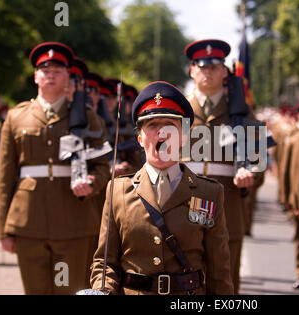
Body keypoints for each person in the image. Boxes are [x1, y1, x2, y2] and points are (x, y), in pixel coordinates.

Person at [90, 81, 233, 295]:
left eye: (169, 125)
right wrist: (103, 290)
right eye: (152, 125)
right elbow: (104, 262)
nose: (161, 133)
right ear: (140, 138)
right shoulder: (118, 190)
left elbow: (218, 272)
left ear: (183, 137)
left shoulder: (209, 193)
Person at [0, 42, 110, 294]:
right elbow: (5, 176)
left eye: (57, 70)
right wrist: (5, 227)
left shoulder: (87, 116)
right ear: (36, 76)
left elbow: (103, 166)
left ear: (67, 76)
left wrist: (91, 183)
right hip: (28, 220)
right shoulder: (16, 117)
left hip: (74, 219)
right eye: (44, 70)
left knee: (70, 290)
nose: (50, 75)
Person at [184, 39, 259, 294]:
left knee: (225, 279)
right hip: (185, 204)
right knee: (187, 278)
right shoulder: (179, 111)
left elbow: (257, 161)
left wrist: (250, 173)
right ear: (192, 71)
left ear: (224, 72)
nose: (208, 72)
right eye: (202, 67)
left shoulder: (241, 111)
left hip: (226, 205)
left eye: (215, 67)